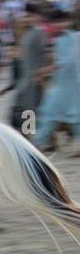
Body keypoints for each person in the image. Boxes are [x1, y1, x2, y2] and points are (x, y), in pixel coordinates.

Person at [0, 3, 48, 135]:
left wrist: (41, 75)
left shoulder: (39, 32)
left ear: (37, 17)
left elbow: (43, 55)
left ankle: (28, 135)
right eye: (26, 16)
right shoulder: (26, 33)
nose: (27, 19)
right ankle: (25, 134)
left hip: (34, 78)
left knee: (30, 108)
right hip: (24, 78)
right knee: (22, 108)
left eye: (30, 16)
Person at [36, 9, 79, 153]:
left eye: (62, 21)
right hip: (64, 83)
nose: (60, 25)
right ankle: (39, 143)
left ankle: (38, 144)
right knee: (68, 115)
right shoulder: (61, 39)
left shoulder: (72, 37)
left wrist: (46, 70)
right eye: (56, 22)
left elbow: (65, 61)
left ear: (69, 21)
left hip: (70, 85)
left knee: (51, 112)